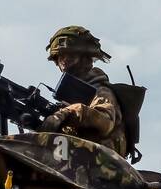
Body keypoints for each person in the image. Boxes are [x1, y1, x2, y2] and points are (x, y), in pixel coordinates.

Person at [39, 26, 128, 157]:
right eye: (60, 56)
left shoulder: (101, 89)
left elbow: (106, 121)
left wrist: (68, 112)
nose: (63, 60)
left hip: (102, 162)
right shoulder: (71, 93)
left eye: (69, 54)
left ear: (84, 57)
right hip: (75, 160)